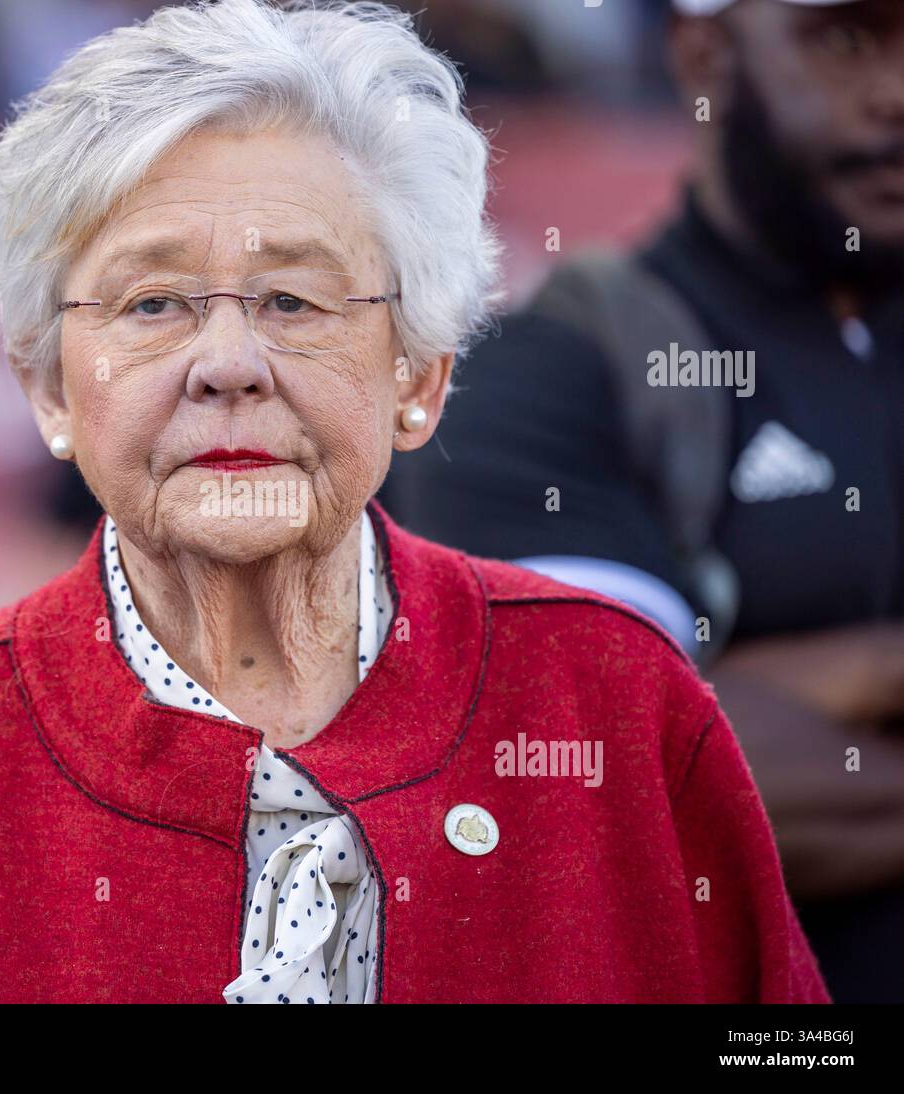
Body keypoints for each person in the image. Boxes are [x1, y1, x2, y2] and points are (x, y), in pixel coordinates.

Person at [0, 0, 827, 1004]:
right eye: (152, 302)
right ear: (49, 385)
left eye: (293, 299)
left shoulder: (615, 703)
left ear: (417, 377)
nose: (227, 363)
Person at [382, 0, 904, 1002]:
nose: (894, 92)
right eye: (841, 37)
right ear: (703, 52)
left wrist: (779, 687)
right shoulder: (553, 367)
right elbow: (582, 772)